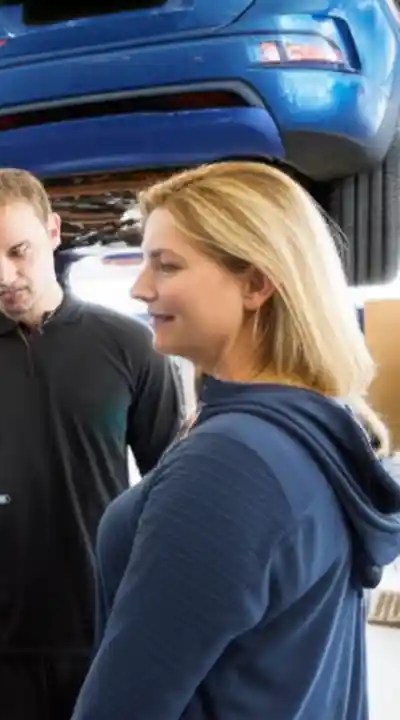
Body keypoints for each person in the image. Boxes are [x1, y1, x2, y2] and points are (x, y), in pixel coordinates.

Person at [71, 161, 400, 719]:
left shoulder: (230, 465)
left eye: (166, 264)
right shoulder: (316, 431)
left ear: (255, 283)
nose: (139, 286)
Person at [0, 168, 186, 719]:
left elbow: (173, 495)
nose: (4, 276)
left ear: (53, 232)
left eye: (18, 251)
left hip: (106, 629)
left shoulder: (131, 345)